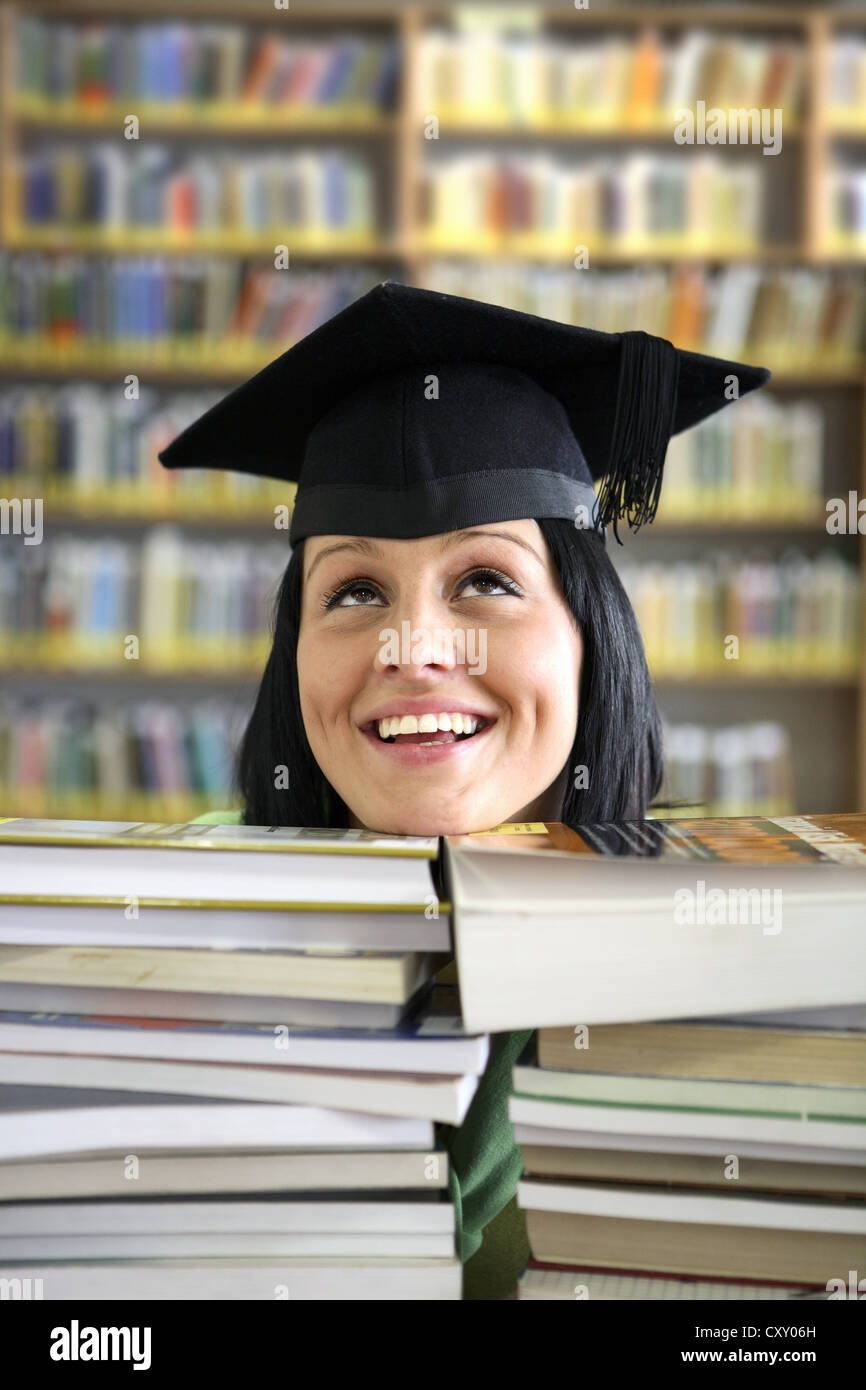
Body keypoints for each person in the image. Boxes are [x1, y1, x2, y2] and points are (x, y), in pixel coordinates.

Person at [160, 280, 771, 1298]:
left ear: (588, 633)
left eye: (484, 579)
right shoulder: (149, 936)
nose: (413, 648)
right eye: (353, 591)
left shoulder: (752, 954)